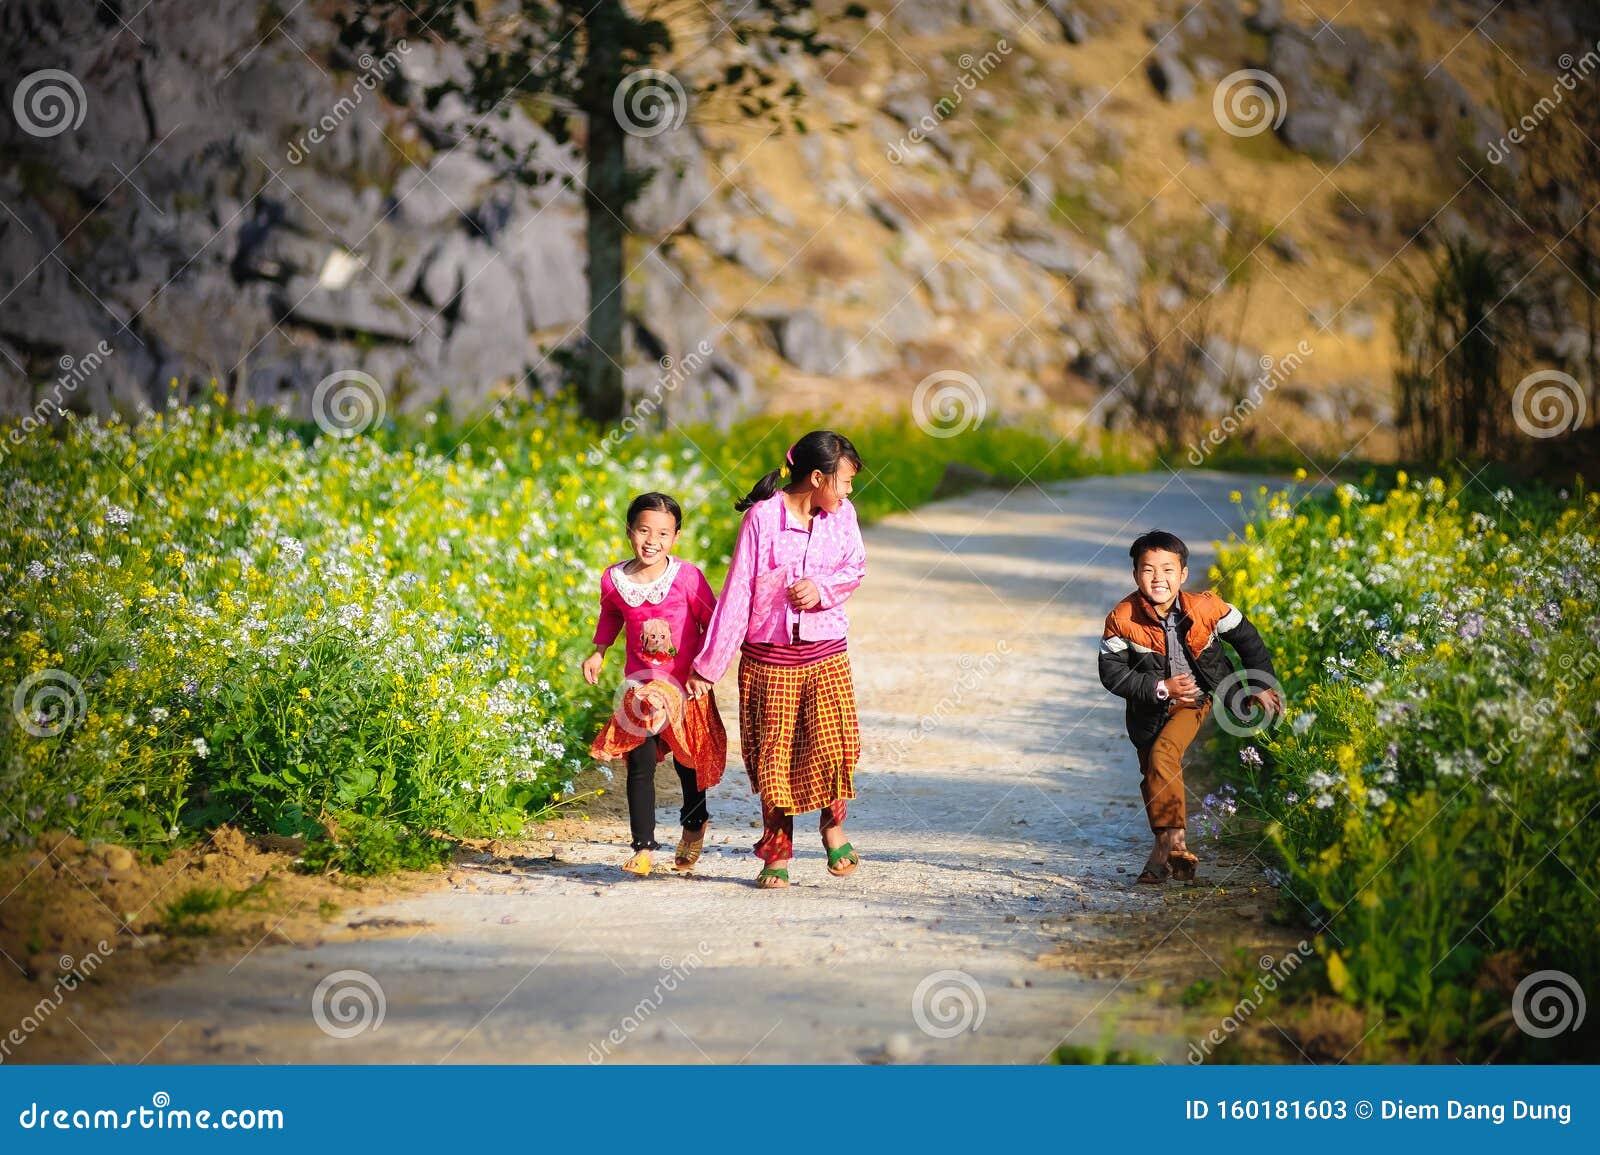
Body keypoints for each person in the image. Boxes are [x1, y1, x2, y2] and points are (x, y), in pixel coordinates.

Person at [685, 430, 866, 889]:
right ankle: (778, 848)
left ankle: (832, 826)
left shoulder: (843, 517)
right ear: (817, 477)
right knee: (774, 760)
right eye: (844, 482)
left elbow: (855, 568)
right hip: (770, 660)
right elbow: (737, 595)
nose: (848, 492)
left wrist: (821, 590)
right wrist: (709, 667)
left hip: (826, 653)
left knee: (832, 747)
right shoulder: (763, 520)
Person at [1097, 529, 1282, 884]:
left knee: (1164, 755)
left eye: (1168, 570)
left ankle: (1175, 843)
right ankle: (1163, 856)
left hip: (1194, 700)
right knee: (1154, 773)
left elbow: (1249, 641)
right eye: (1148, 570)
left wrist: (1258, 684)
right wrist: (1160, 687)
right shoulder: (1122, 619)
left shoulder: (1208, 607)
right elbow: (1111, 673)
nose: (1158, 579)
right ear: (1136, 574)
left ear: (1183, 575)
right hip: (1148, 708)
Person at [584, 492, 727, 876]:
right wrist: (598, 652)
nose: (652, 541)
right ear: (630, 531)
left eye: (663, 533)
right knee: (640, 762)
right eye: (644, 530)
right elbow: (610, 616)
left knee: (687, 763)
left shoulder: (687, 577)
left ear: (676, 537)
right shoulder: (615, 579)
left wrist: (706, 669)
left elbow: (713, 622)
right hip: (640, 688)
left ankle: (694, 824)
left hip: (685, 688)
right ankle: (643, 847)